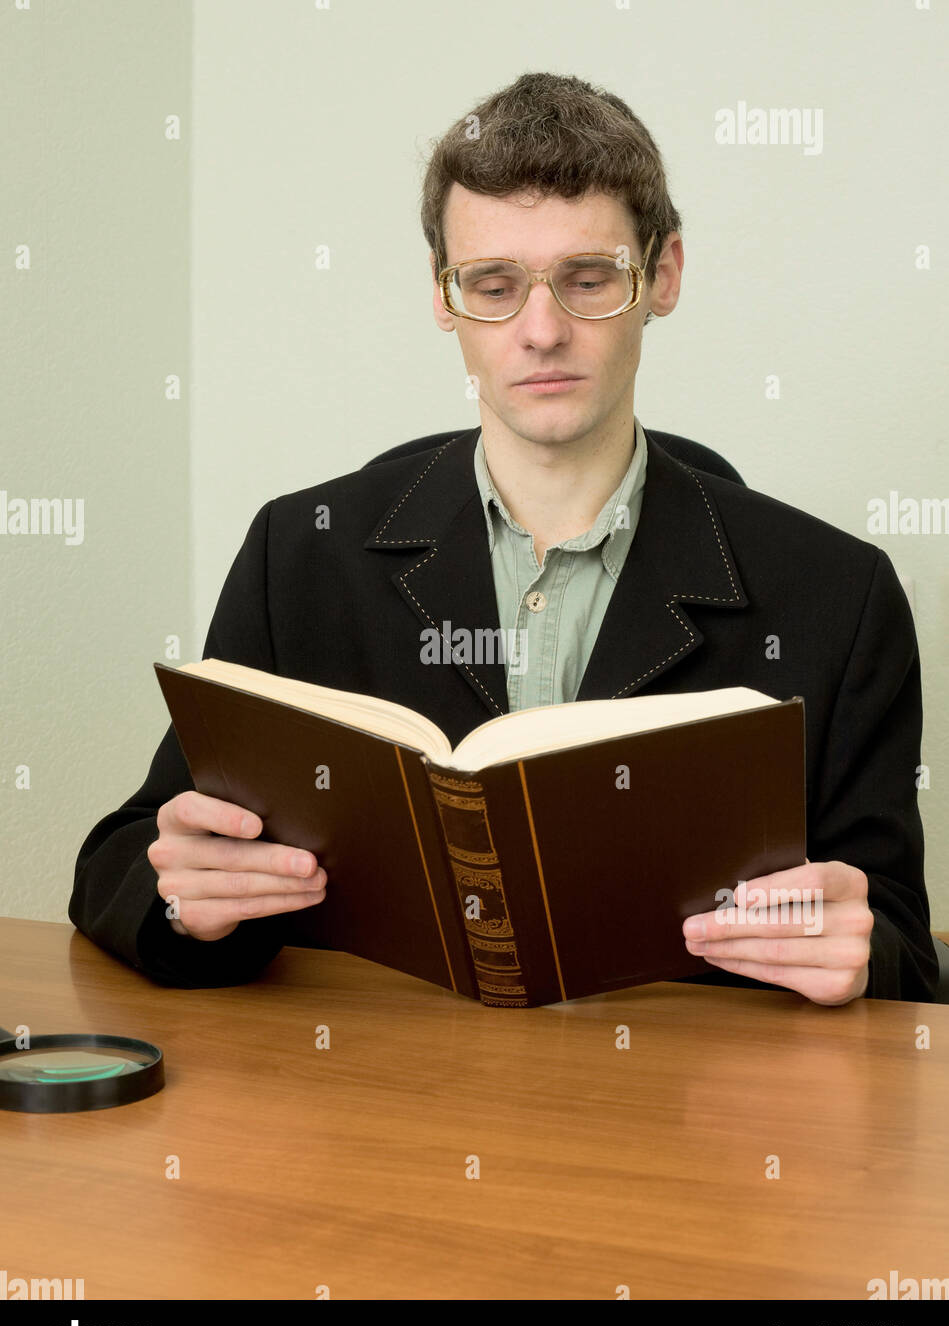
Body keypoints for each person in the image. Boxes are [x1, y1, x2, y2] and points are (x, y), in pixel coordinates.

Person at [68, 72, 938, 1004]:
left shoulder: (839, 596)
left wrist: (862, 954)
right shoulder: (300, 555)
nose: (541, 331)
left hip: (688, 1123)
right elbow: (127, 857)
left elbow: (899, 953)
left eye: (588, 279)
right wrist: (187, 902)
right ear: (444, 299)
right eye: (492, 285)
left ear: (664, 274)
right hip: (368, 1108)